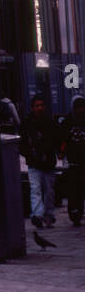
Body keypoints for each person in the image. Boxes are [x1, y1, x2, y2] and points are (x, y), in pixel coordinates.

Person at [19, 95, 61, 229]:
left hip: (48, 162)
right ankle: (38, 215)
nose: (39, 108)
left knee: (49, 191)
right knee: (36, 189)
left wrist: (58, 151)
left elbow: (56, 139)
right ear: (32, 108)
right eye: (37, 106)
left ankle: (48, 215)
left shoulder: (50, 122)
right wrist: (28, 153)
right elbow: (22, 142)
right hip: (34, 162)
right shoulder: (26, 123)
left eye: (41, 105)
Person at [58, 96, 85, 228]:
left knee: (81, 188)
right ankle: (74, 212)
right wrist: (61, 153)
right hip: (72, 161)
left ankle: (79, 211)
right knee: (73, 188)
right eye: (78, 108)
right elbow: (62, 139)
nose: (81, 110)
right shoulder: (67, 121)